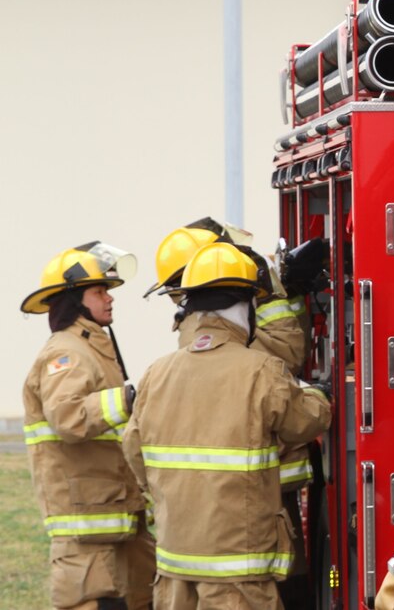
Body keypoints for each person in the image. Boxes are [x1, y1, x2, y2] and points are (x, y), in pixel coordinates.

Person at [123, 241, 331, 610]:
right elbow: (307, 421)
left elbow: (133, 448)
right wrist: (315, 393)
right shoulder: (261, 370)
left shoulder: (157, 372)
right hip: (240, 576)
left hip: (174, 567)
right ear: (246, 306)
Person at [21, 241, 154, 610]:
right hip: (86, 520)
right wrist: (125, 399)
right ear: (75, 299)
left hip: (112, 510)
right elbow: (67, 418)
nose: (110, 299)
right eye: (99, 291)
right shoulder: (66, 353)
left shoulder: (92, 348)